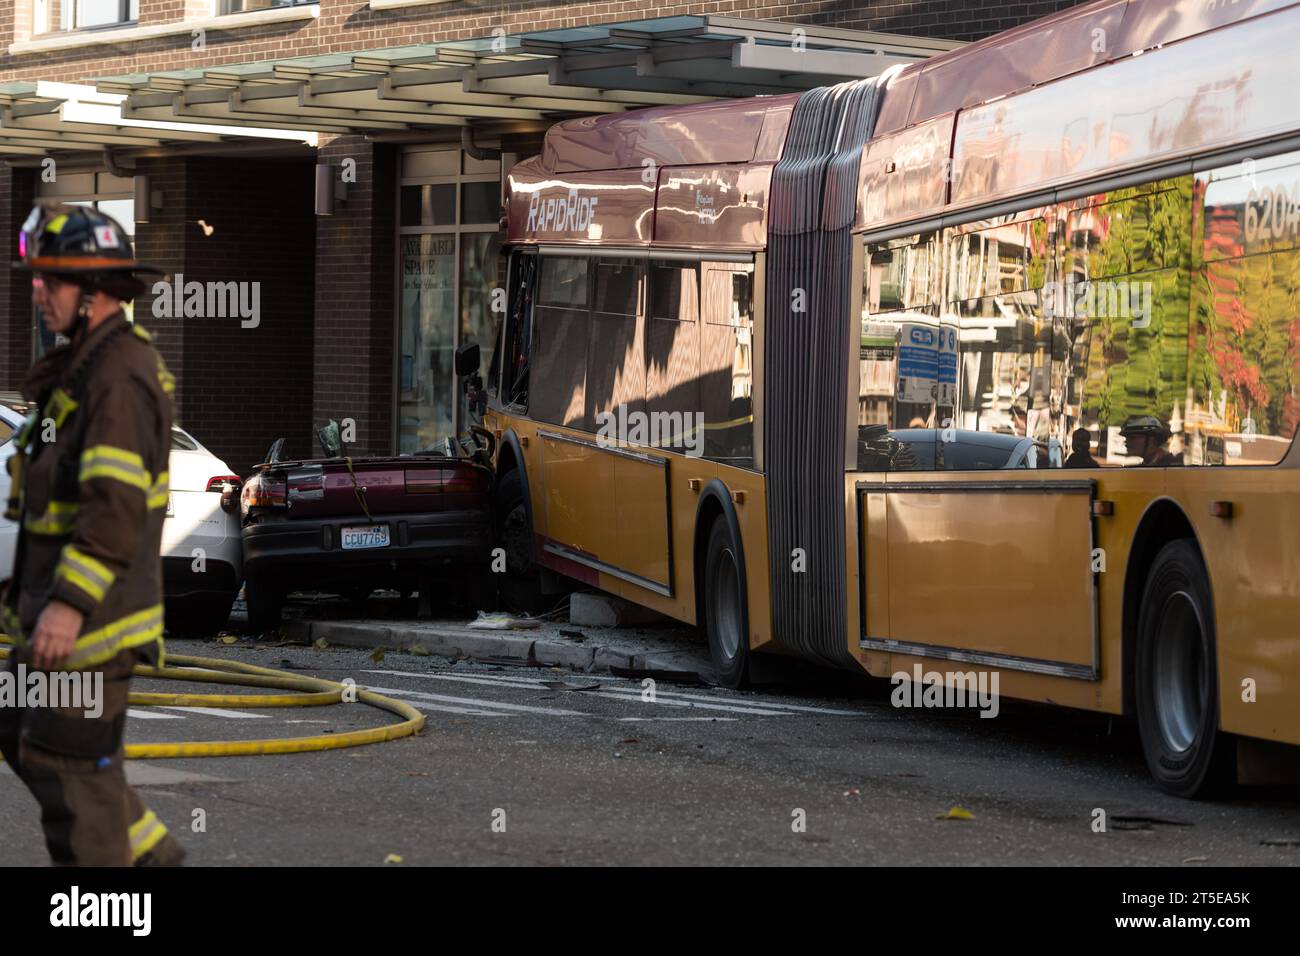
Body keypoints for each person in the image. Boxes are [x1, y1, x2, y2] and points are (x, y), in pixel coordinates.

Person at [0, 203, 184, 866]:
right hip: (58, 620)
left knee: (71, 771)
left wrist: (67, 605)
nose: (37, 290)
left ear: (97, 291)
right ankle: (154, 862)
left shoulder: (120, 375)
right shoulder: (81, 367)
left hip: (95, 627)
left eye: (51, 279)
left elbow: (113, 509)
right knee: (20, 726)